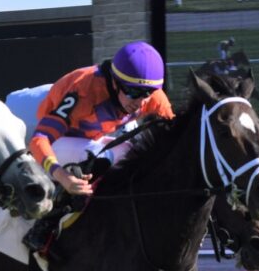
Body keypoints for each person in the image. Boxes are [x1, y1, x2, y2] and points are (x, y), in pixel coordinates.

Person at [22, 41, 174, 252]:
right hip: (45, 130)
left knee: (138, 152)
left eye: (146, 93)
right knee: (94, 156)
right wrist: (62, 177)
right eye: (132, 92)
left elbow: (177, 136)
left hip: (90, 137)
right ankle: (45, 224)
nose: (140, 102)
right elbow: (39, 141)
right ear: (114, 82)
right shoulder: (82, 92)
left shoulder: (152, 97)